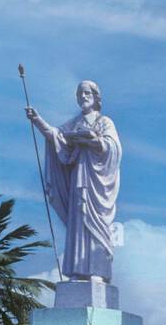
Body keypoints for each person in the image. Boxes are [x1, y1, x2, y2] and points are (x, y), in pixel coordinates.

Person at [25, 79, 121, 282]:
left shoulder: (104, 122)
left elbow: (114, 148)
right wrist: (37, 120)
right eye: (80, 94)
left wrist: (94, 141)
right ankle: (78, 270)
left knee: (97, 224)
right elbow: (55, 135)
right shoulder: (75, 122)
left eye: (87, 93)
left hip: (97, 182)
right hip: (79, 177)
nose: (83, 97)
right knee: (78, 223)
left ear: (96, 97)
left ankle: (98, 270)